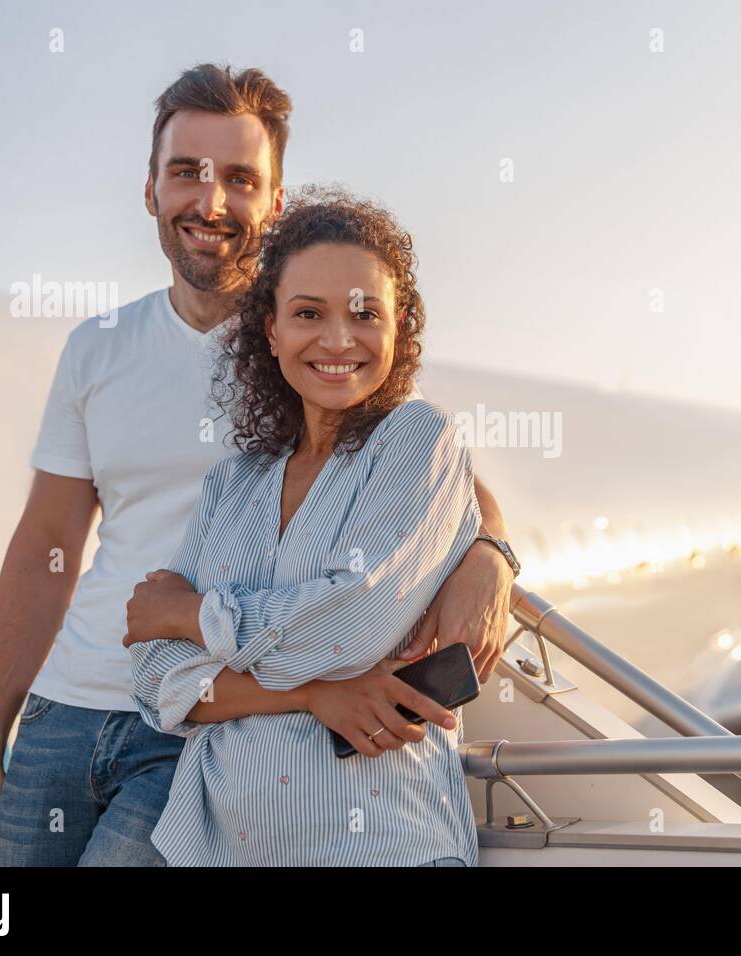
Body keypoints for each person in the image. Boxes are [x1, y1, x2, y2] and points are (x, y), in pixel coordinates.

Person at [0, 64, 517, 867]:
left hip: (207, 725)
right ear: (150, 189)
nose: (210, 203)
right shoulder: (98, 350)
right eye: (187, 173)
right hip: (69, 707)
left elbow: (437, 476)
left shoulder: (317, 338)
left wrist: (492, 556)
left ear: (274, 203)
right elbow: (47, 544)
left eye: (241, 179)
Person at [125, 186, 481, 865]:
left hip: (386, 847)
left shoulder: (418, 438)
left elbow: (347, 628)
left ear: (398, 325)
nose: (337, 339)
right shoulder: (233, 483)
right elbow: (154, 678)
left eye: (364, 313)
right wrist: (316, 694)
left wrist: (190, 614)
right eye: (308, 313)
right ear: (273, 331)